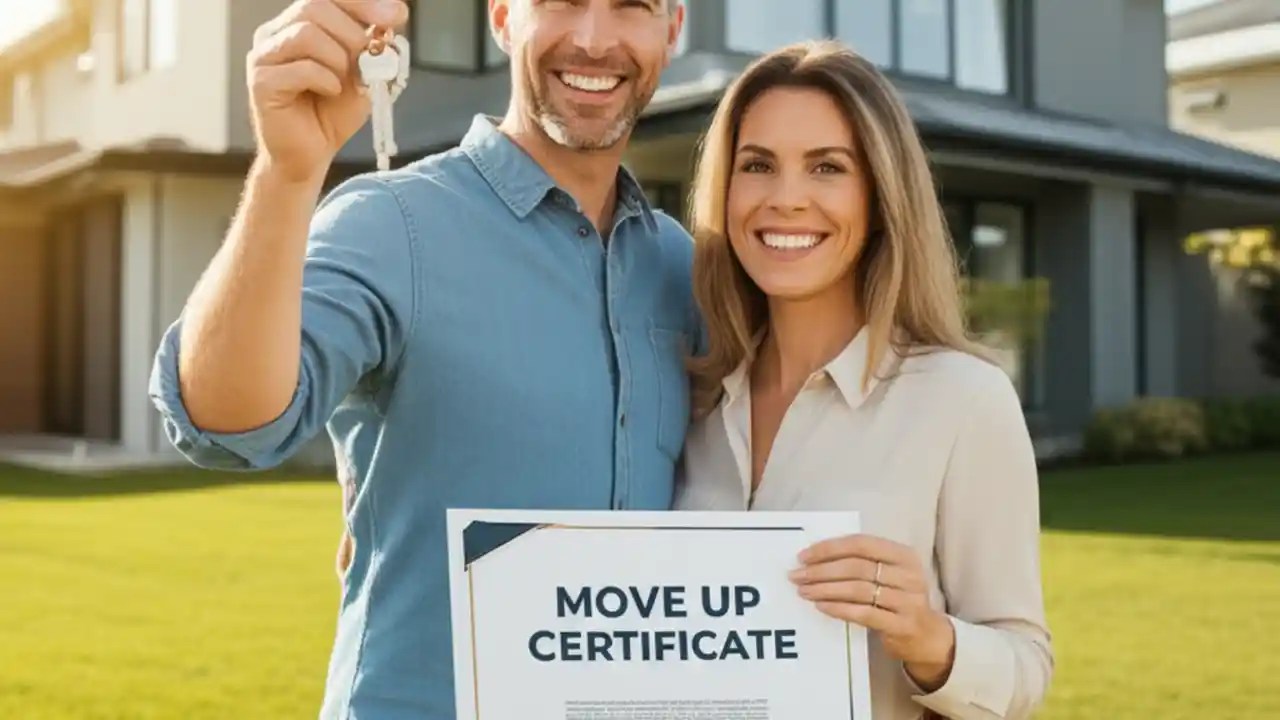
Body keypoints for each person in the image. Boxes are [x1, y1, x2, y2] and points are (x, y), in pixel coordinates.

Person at [148, 0, 692, 716]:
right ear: (502, 16)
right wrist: (286, 174)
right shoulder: (389, 223)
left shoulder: (684, 266)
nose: (593, 40)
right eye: (561, 3)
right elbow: (227, 421)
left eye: (632, 6)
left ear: (672, 29)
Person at [673, 41, 1054, 720]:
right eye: (757, 165)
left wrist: (928, 637)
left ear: (880, 197)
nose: (786, 200)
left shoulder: (963, 400)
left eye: (827, 168)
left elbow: (1026, 667)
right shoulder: (693, 399)